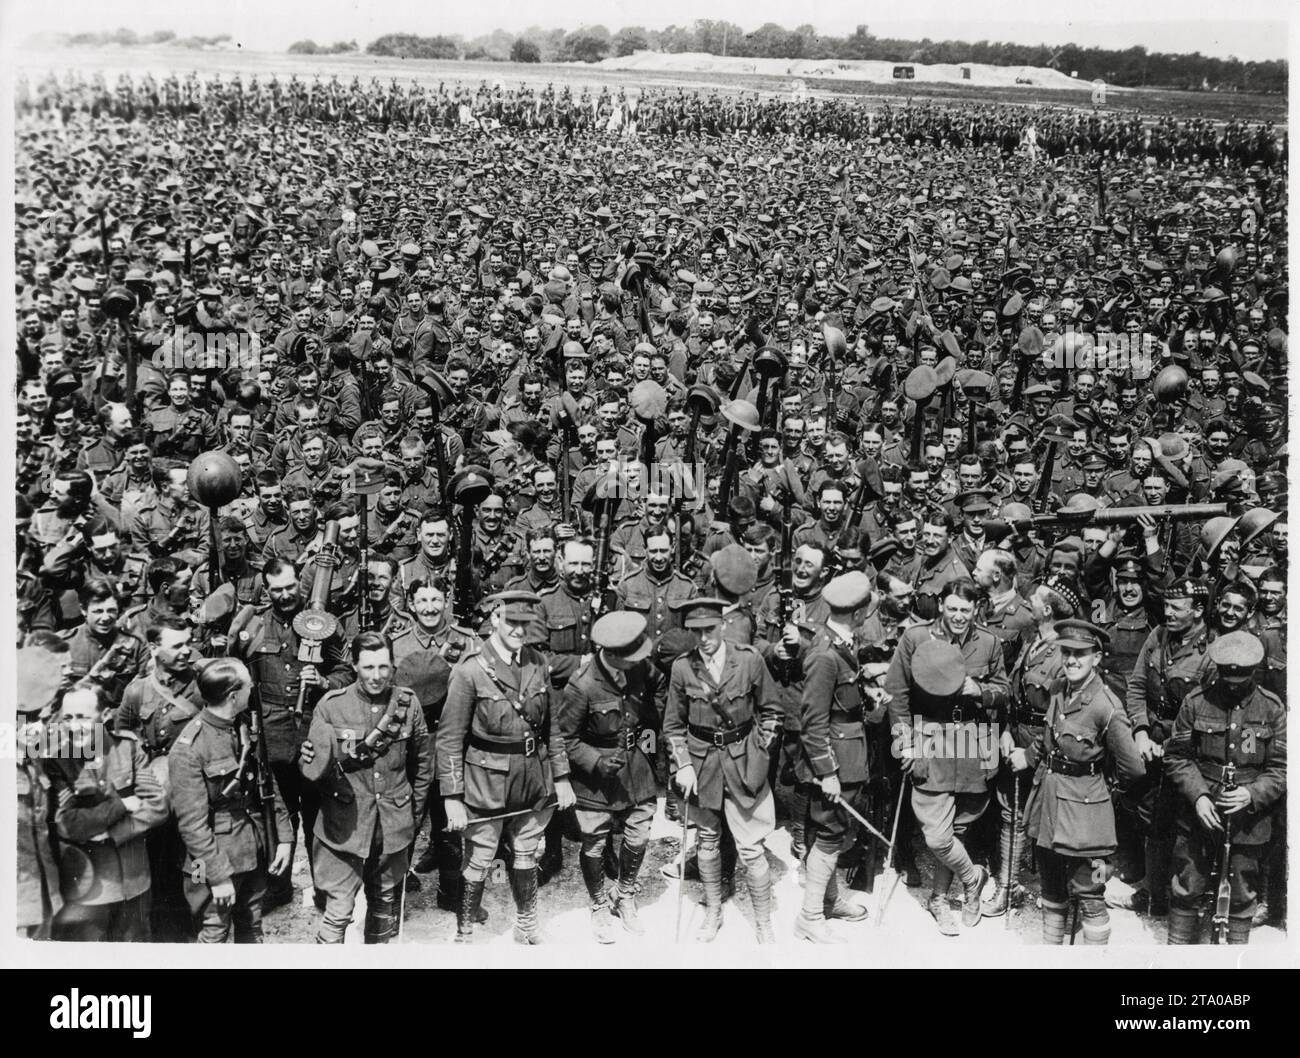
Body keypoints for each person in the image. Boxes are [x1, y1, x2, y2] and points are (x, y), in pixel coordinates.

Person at [436, 591, 575, 943]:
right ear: (495, 619)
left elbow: (551, 727)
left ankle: (526, 925)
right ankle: (465, 931)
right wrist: (452, 796)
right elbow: (450, 738)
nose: (518, 630)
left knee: (528, 849)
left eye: (524, 623)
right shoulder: (470, 670)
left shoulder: (538, 663)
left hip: (531, 776)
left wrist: (561, 776)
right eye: (511, 621)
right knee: (481, 855)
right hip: (486, 779)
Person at [884, 578, 1009, 935]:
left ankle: (939, 898)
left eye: (965, 610)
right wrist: (904, 744)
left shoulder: (988, 642)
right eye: (952, 608)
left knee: (959, 829)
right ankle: (973, 878)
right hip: (930, 738)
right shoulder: (916, 638)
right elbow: (898, 694)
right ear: (941, 606)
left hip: (973, 741)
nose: (958, 616)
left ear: (976, 610)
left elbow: (1005, 691)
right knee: (937, 836)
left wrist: (981, 690)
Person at [1013, 621, 1146, 944]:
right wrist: (1028, 757)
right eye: (1067, 652)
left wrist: (1104, 794)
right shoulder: (1058, 690)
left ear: (1096, 658)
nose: (1071, 660)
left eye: (1080, 654)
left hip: (1088, 816)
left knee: (1091, 892)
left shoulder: (1106, 706)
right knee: (1052, 886)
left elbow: (1133, 768)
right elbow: (1047, 742)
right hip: (1050, 804)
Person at [299, 632, 433, 943]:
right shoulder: (331, 706)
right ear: (355, 666)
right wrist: (306, 760)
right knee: (338, 913)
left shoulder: (408, 704)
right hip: (343, 826)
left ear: (393, 666)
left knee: (384, 908)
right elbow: (312, 768)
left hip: (392, 824)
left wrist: (411, 816)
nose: (377, 676)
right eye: (368, 667)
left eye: (384, 667)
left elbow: (423, 766)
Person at [664, 597, 782, 942]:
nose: (703, 638)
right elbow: (672, 726)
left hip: (745, 760)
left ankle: (763, 921)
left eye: (710, 629)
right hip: (701, 765)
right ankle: (713, 910)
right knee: (708, 841)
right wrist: (683, 764)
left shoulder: (749, 660)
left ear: (722, 625)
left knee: (751, 847)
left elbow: (772, 711)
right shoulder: (683, 668)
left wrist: (760, 751)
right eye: (696, 631)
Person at [1162, 631, 1287, 944]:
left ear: (1254, 672)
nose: (1233, 685)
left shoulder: (1271, 709)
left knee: (1242, 892)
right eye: (1227, 678)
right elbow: (1177, 757)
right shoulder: (1196, 702)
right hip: (1199, 814)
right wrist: (1198, 796)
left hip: (1249, 820)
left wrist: (1252, 793)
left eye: (1242, 678)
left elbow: (1282, 768)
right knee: (1188, 884)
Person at [169, 658, 293, 942]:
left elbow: (266, 782)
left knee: (252, 927)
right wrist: (219, 877)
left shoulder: (245, 727)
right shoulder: (189, 748)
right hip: (215, 860)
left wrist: (284, 837)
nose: (253, 689)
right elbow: (192, 826)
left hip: (252, 848)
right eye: (249, 685)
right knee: (214, 934)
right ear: (234, 695)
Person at [557, 611, 661, 942]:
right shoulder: (582, 683)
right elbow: (566, 738)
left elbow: (659, 689)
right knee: (594, 840)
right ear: (612, 653)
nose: (638, 661)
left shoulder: (640, 666)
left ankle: (624, 894)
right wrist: (596, 763)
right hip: (595, 776)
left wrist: (652, 734)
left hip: (635, 766)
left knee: (639, 833)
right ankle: (599, 904)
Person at [46, 684, 169, 941]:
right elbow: (68, 824)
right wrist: (122, 805)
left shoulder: (128, 748)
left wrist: (112, 832)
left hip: (135, 881)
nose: (74, 725)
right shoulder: (56, 760)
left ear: (104, 716)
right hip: (88, 887)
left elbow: (157, 805)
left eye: (83, 717)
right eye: (68, 718)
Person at [793, 571, 878, 942]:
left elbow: (842, 700)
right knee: (829, 834)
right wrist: (827, 772)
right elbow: (812, 723)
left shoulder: (842, 642)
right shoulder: (825, 654)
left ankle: (828, 901)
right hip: (835, 759)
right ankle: (810, 916)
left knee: (830, 830)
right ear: (858, 614)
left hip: (848, 751)